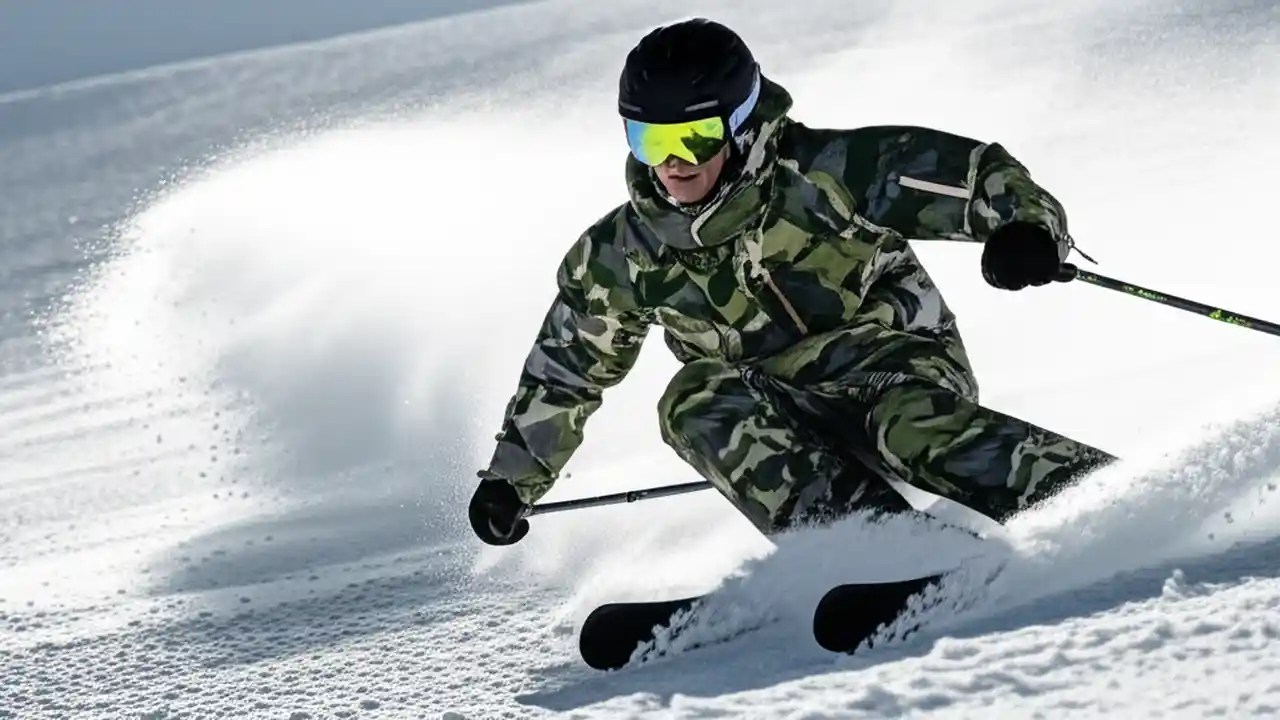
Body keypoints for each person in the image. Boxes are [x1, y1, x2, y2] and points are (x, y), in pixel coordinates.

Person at [468, 18, 1114, 546]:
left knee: (907, 427)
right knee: (693, 396)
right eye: (648, 138)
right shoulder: (621, 253)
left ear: (742, 125)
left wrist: (1026, 232)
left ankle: (1103, 501)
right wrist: (511, 481)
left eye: (693, 138)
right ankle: (874, 551)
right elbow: (566, 373)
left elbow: (977, 176)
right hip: (777, 416)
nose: (671, 162)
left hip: (895, 367)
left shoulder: (829, 173)